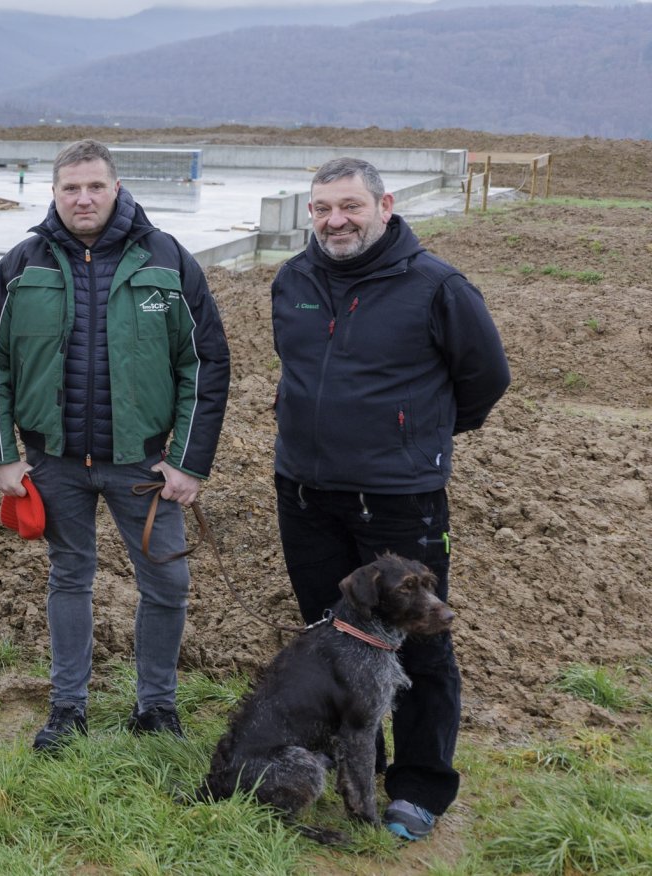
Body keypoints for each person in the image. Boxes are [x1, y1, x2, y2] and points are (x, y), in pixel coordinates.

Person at [271, 156, 509, 841]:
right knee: (335, 634)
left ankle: (420, 784)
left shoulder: (436, 286)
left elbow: (485, 379)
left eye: (349, 206)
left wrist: (417, 436)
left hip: (400, 500)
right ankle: (359, 760)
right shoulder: (294, 279)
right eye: (321, 209)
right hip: (307, 492)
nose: (334, 220)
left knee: (422, 642)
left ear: (384, 204)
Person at [0, 139, 231, 753]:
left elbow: (205, 364)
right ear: (53, 194)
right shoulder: (22, 265)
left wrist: (189, 462)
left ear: (116, 188)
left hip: (143, 463)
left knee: (167, 585)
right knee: (69, 578)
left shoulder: (167, 261)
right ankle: (67, 708)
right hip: (54, 461)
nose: (82, 198)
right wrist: (2, 454)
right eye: (70, 188)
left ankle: (156, 707)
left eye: (94, 186)